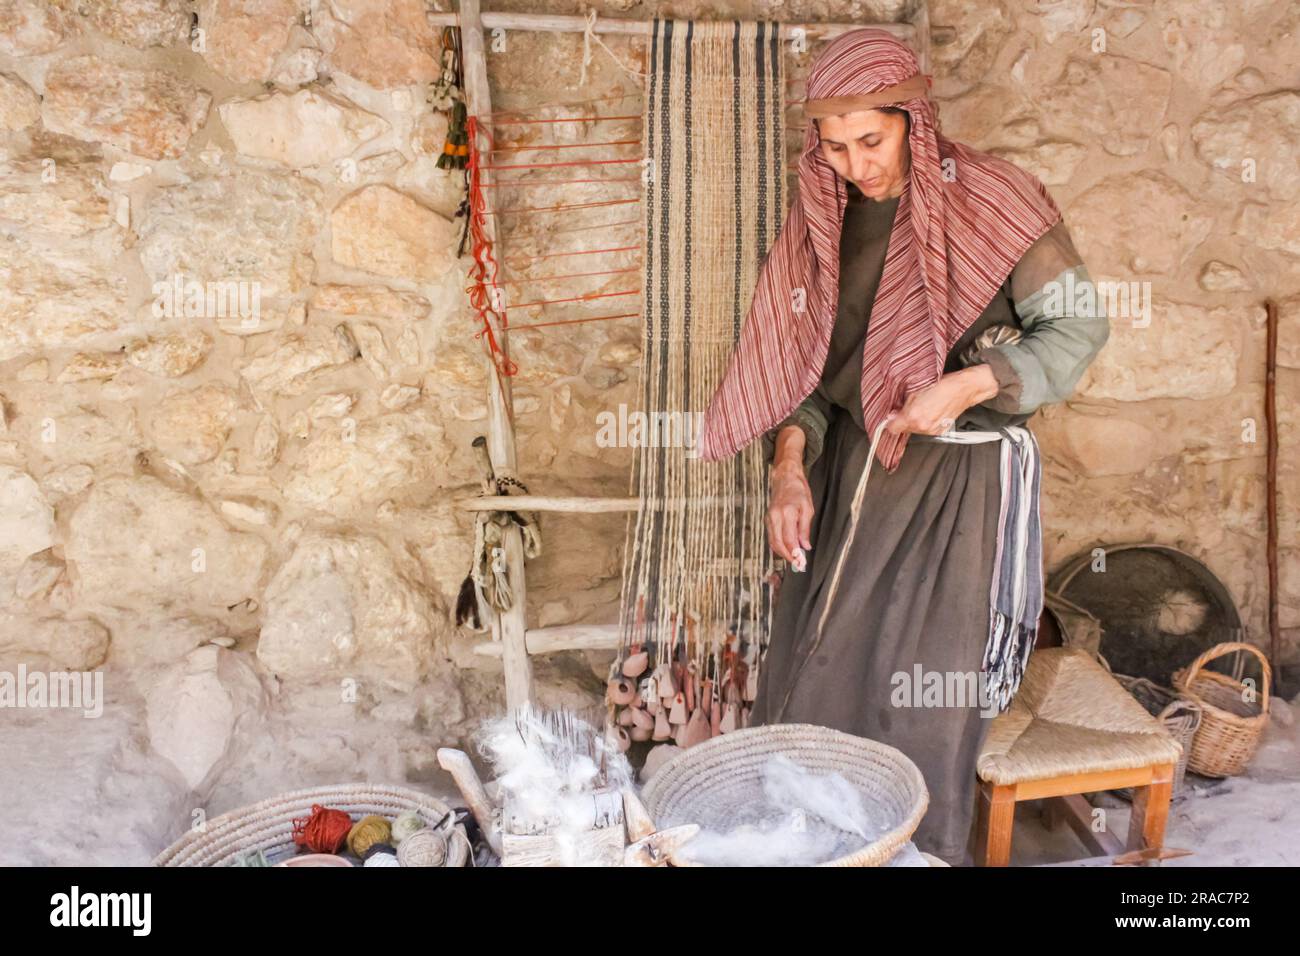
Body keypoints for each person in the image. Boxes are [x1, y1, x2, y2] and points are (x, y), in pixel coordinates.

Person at [694, 29, 1110, 865]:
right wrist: (786, 468)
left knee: (915, 687)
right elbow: (805, 369)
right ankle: (804, 844)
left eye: (872, 141)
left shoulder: (998, 204)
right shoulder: (826, 220)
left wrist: (967, 382)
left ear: (914, 120)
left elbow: (1079, 326)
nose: (856, 164)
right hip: (849, 469)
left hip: (955, 481)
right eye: (836, 146)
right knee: (810, 661)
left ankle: (912, 848)